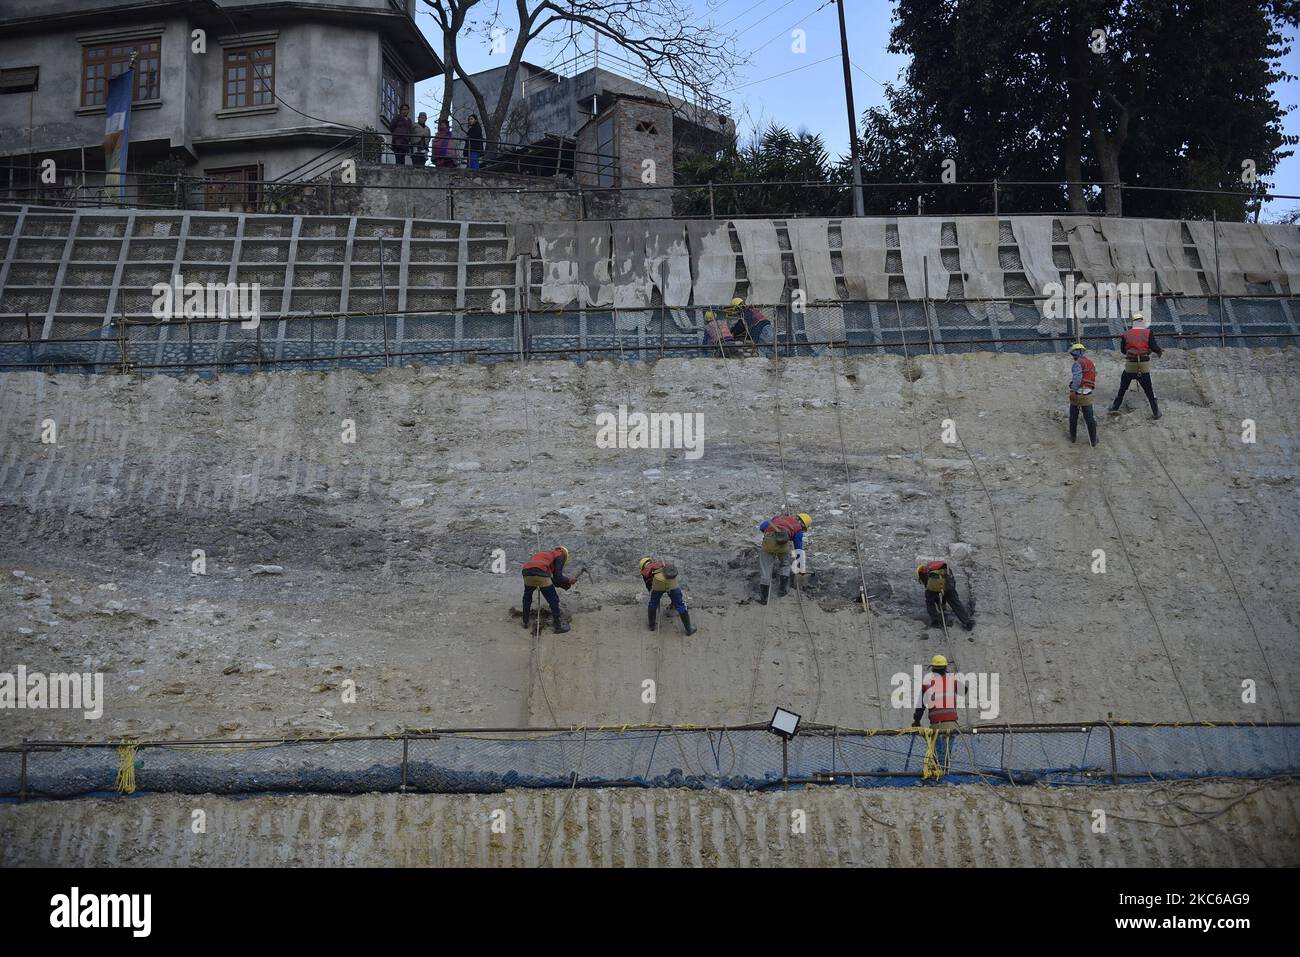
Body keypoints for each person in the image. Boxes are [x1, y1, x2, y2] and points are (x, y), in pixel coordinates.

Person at [1108, 312, 1164, 419]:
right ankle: (1156, 412)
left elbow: (1123, 351)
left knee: (1123, 387)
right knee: (1149, 391)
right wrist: (1157, 351)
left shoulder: (1126, 334)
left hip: (1130, 365)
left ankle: (1115, 406)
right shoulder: (1148, 333)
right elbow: (1154, 347)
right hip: (1143, 366)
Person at [911, 653, 960, 772]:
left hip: (936, 726)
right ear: (945, 668)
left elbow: (920, 707)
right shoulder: (952, 682)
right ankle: (945, 774)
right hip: (952, 725)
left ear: (932, 669)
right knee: (947, 753)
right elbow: (966, 690)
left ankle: (940, 775)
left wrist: (916, 721)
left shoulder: (927, 685)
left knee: (938, 753)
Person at [756, 513, 811, 605]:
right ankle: (782, 591)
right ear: (803, 525)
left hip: (768, 541)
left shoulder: (778, 518)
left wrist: (772, 534)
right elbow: (798, 549)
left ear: (797, 517)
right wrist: (801, 566)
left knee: (765, 568)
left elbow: (762, 526)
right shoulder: (798, 530)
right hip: (783, 544)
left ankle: (764, 598)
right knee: (785, 564)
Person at [521, 545, 574, 634]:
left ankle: (525, 622)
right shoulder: (559, 555)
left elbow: (553, 580)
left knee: (527, 597)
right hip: (541, 573)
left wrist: (564, 584)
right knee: (553, 600)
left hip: (527, 572)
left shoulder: (545, 554)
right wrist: (569, 580)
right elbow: (558, 577)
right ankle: (557, 627)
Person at [639, 557, 697, 635]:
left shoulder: (645, 571)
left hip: (658, 583)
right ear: (650, 561)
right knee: (680, 603)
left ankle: (652, 626)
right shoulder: (659, 564)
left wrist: (654, 594)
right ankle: (689, 629)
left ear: (642, 566)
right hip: (671, 582)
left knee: (652, 603)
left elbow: (649, 586)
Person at [915, 559, 974, 631]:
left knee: (929, 601)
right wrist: (943, 603)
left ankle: (935, 621)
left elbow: (933, 592)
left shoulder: (924, 574)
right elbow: (945, 592)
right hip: (948, 582)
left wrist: (940, 604)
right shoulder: (933, 567)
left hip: (934, 586)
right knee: (955, 602)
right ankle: (967, 622)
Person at [1067, 342, 1099, 447]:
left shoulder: (1078, 363)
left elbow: (1077, 379)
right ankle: (1093, 439)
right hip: (1088, 393)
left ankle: (1073, 437)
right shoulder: (1090, 363)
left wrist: (1072, 390)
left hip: (1078, 393)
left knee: (1073, 416)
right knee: (1089, 418)